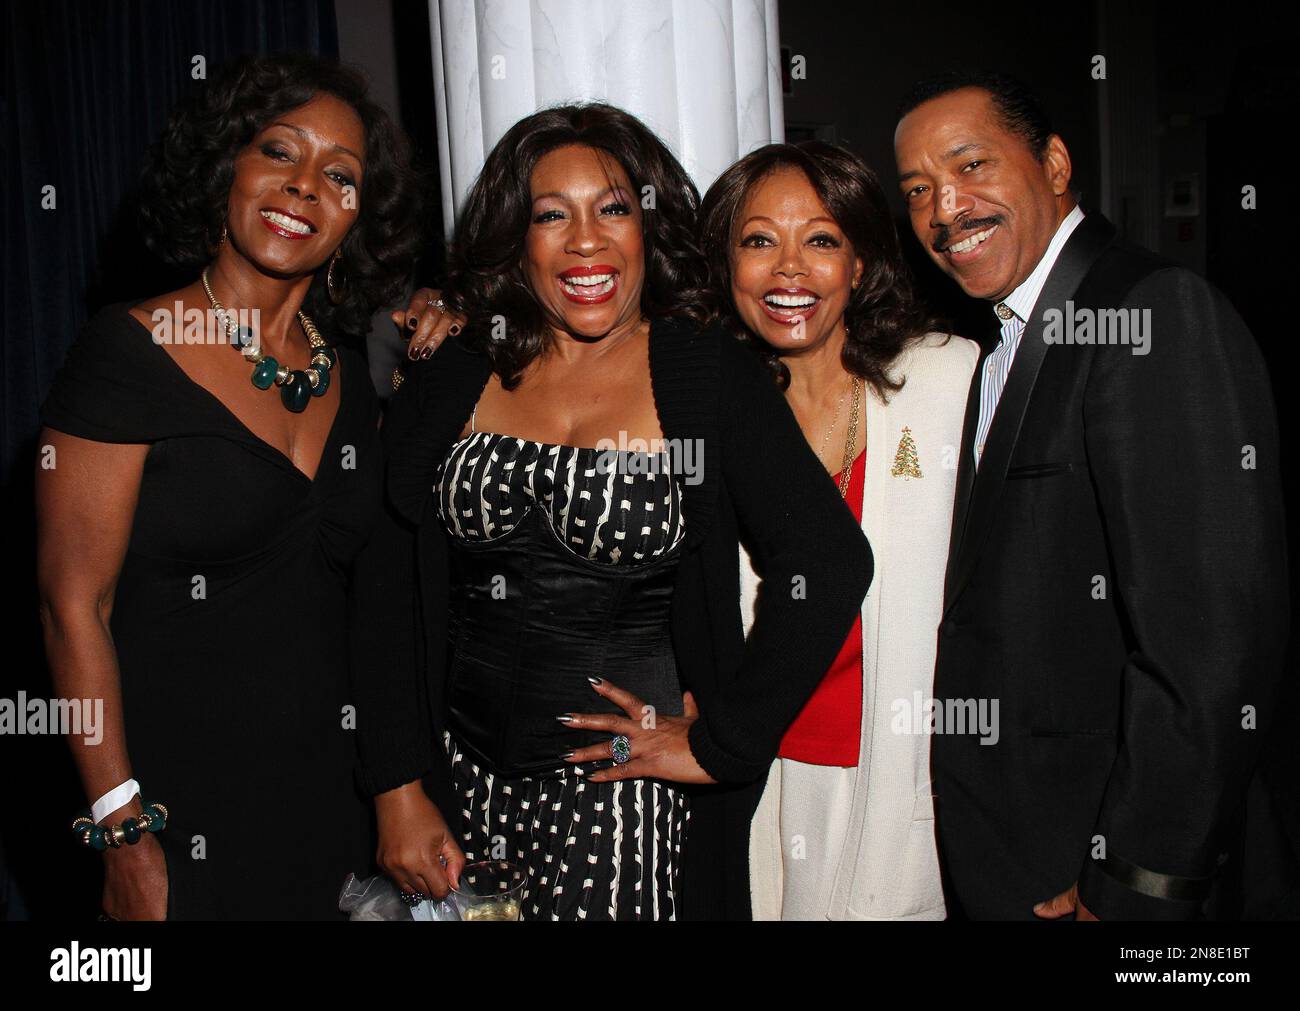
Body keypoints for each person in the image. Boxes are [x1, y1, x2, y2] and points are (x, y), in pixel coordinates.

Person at [350, 102, 872, 920]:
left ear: (647, 226)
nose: (585, 239)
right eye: (550, 214)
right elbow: (385, 582)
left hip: (626, 800)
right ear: (517, 238)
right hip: (458, 786)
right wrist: (396, 782)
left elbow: (830, 560)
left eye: (614, 209)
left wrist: (721, 741)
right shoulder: (460, 366)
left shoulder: (703, 373)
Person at [893, 70, 1288, 919]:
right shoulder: (998, 339)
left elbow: (1210, 645)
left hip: (1099, 863)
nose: (944, 210)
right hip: (1014, 848)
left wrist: (1139, 880)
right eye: (919, 189)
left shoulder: (1150, 314)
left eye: (971, 168)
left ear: (1057, 163)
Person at [36, 54, 422, 919]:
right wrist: (122, 833)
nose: (303, 186)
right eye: (277, 152)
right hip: (175, 816)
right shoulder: (125, 353)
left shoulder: (351, 376)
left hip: (332, 813)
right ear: (225, 171)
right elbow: (73, 609)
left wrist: (395, 784)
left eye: (340, 175)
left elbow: (373, 599)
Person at [698, 142, 977, 920]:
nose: (789, 268)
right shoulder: (707, 408)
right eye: (758, 240)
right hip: (759, 773)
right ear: (726, 263)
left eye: (821, 239)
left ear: (859, 263)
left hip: (908, 780)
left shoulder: (950, 382)